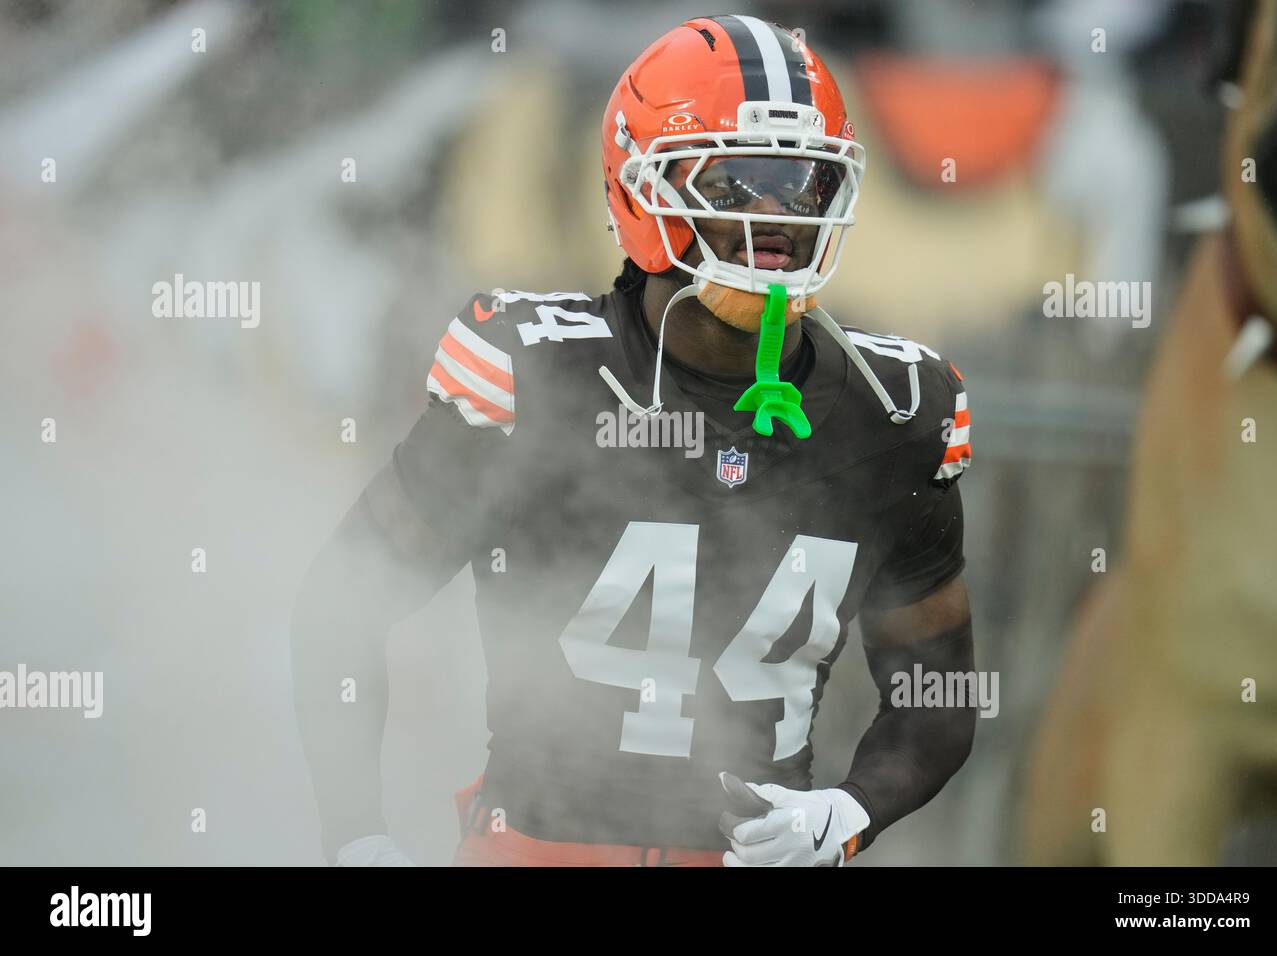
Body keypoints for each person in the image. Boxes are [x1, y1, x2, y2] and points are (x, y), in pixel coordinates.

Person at [292, 14, 976, 868]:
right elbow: (342, 608)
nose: (773, 216)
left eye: (799, 181)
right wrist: (358, 837)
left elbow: (938, 693)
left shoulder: (894, 412)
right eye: (731, 183)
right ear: (642, 188)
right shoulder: (538, 379)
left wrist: (849, 811)